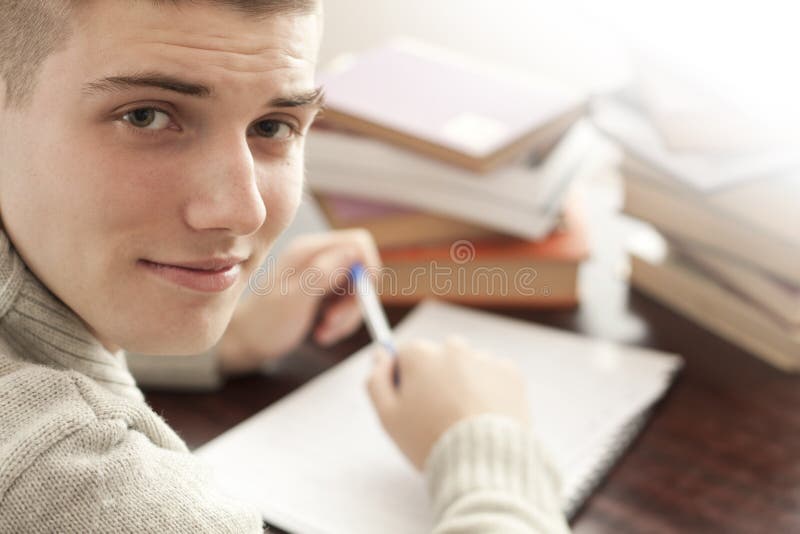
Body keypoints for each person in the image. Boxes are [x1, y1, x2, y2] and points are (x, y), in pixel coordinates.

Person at [0, 1, 570, 532]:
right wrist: (488, 453)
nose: (243, 210)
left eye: (273, 126)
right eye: (146, 116)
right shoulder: (84, 483)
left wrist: (231, 340)